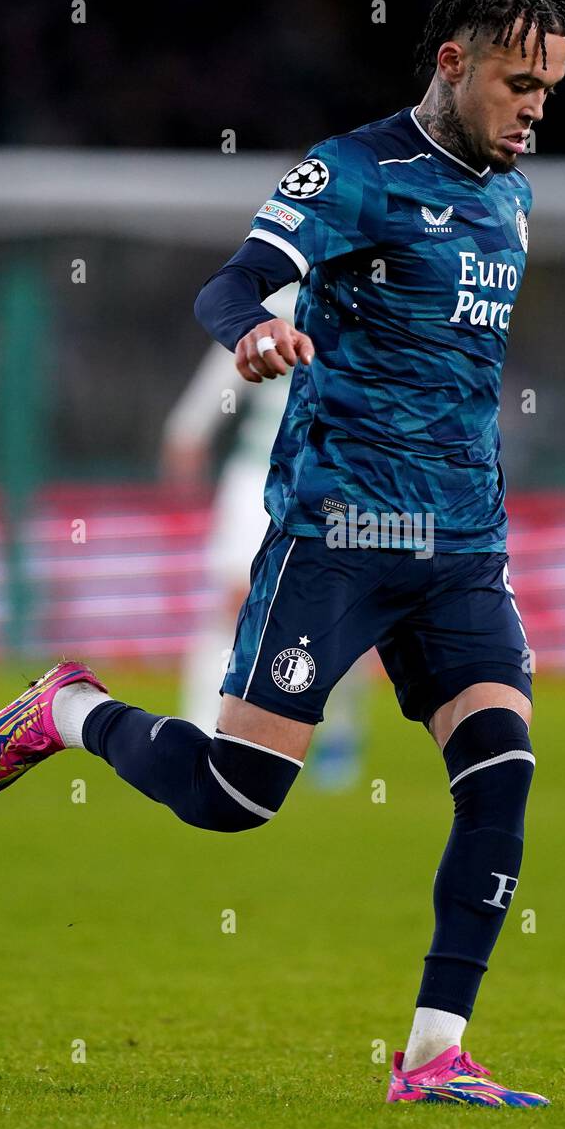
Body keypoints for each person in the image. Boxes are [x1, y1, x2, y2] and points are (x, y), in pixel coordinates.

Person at [0, 0, 565, 1107]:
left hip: (461, 549)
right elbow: (232, 282)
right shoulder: (348, 172)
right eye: (517, 82)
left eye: (548, 90)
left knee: (501, 772)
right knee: (235, 796)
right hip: (334, 530)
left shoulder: (512, 199)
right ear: (451, 62)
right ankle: (69, 710)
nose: (535, 107)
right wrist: (251, 336)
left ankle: (434, 1053)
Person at [161, 283, 364, 787]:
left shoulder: (379, 299)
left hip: (342, 484)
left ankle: (336, 736)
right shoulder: (280, 303)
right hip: (262, 474)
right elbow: (225, 370)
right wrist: (189, 430)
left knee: (339, 611)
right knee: (236, 603)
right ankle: (199, 734)